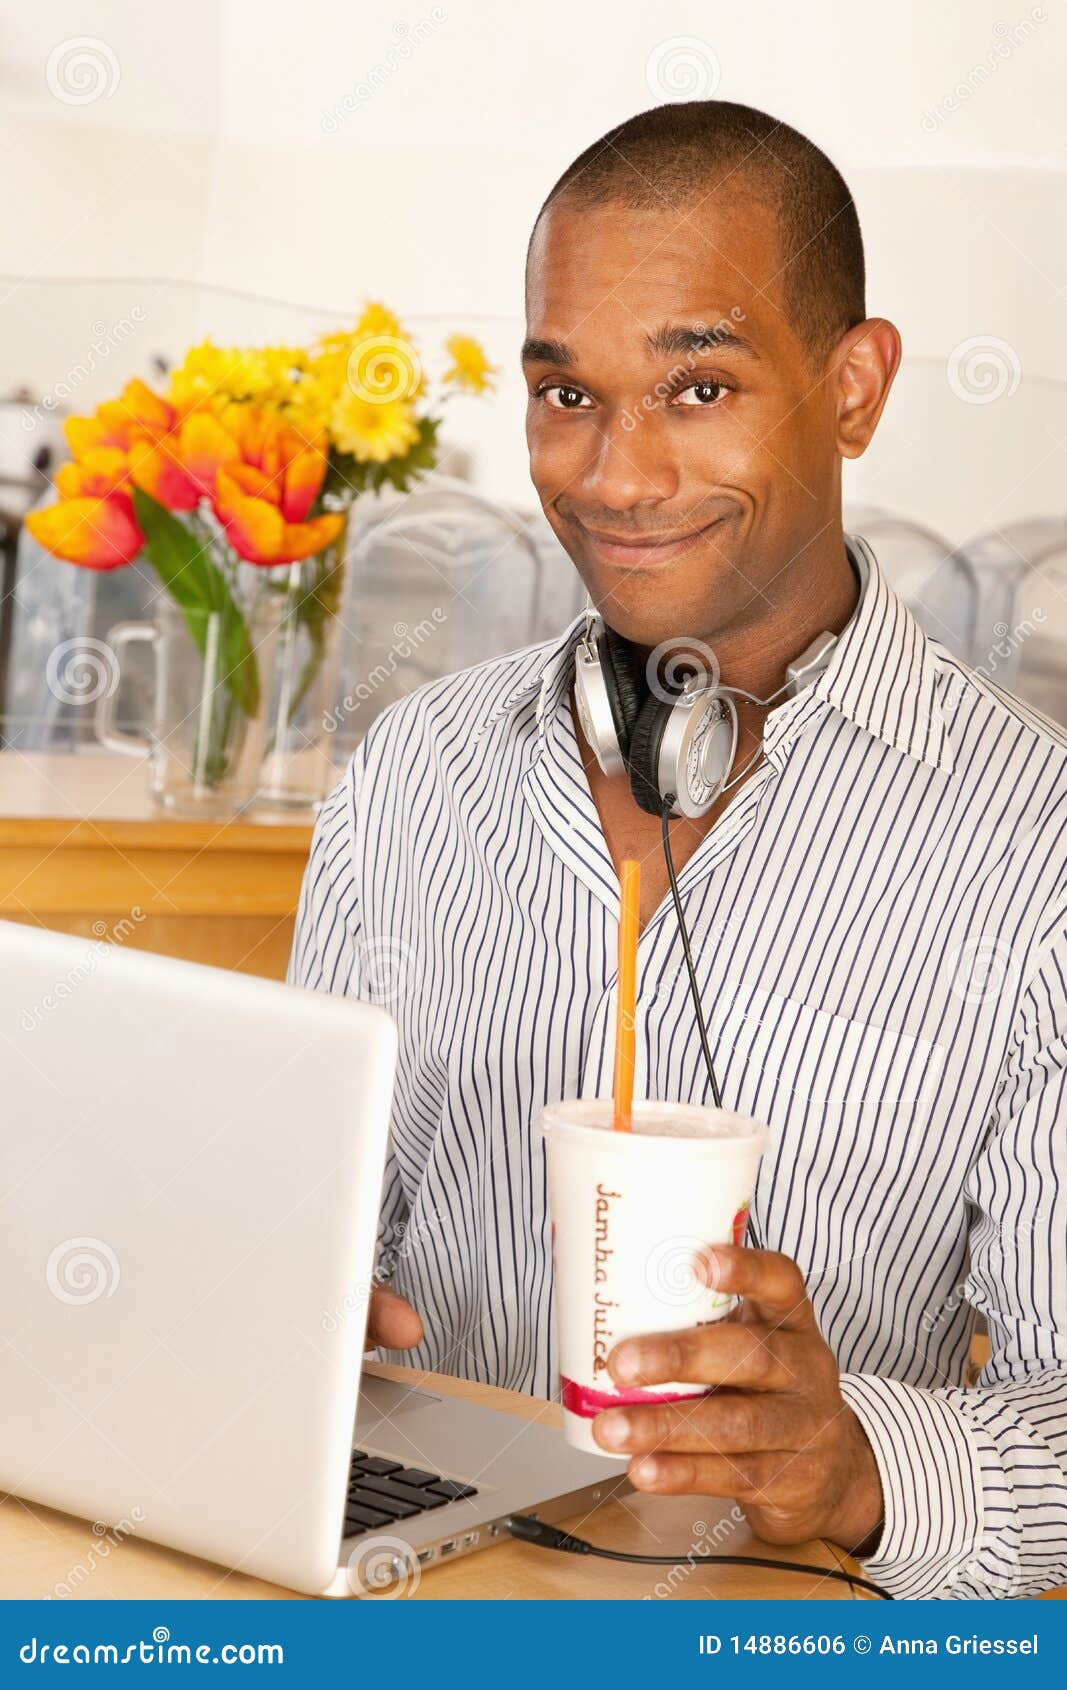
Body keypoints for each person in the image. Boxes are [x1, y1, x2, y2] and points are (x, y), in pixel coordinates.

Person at [289, 101, 1067, 1599]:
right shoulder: (412, 773)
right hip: (383, 1609)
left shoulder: (1035, 851)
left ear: (854, 387)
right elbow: (302, 1229)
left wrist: (864, 1465)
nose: (617, 476)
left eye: (696, 385)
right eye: (565, 394)